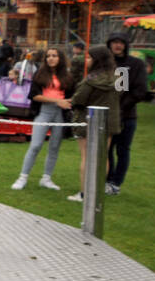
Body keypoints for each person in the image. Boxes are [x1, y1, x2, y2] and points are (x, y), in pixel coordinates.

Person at [11, 47, 73, 190]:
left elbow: (71, 95)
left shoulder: (67, 76)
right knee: (35, 145)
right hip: (44, 112)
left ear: (60, 58)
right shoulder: (40, 74)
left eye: (54, 55)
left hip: (60, 114)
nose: (51, 58)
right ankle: (23, 177)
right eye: (48, 56)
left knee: (54, 147)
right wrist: (55, 101)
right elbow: (33, 95)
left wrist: (67, 103)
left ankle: (46, 178)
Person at [67, 45, 121, 202]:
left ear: (96, 60)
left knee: (86, 157)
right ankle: (97, 192)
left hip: (88, 120)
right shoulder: (119, 76)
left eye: (89, 57)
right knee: (103, 157)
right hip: (110, 120)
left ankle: (84, 193)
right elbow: (121, 94)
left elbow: (79, 99)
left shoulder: (90, 80)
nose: (86, 60)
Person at [104, 33, 149, 195]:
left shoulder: (136, 64)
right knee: (106, 149)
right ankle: (106, 179)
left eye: (121, 42)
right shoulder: (104, 63)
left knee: (122, 150)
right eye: (114, 42)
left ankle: (116, 183)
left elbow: (140, 91)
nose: (117, 45)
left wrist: (121, 109)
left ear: (125, 45)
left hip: (127, 115)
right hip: (106, 114)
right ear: (109, 44)